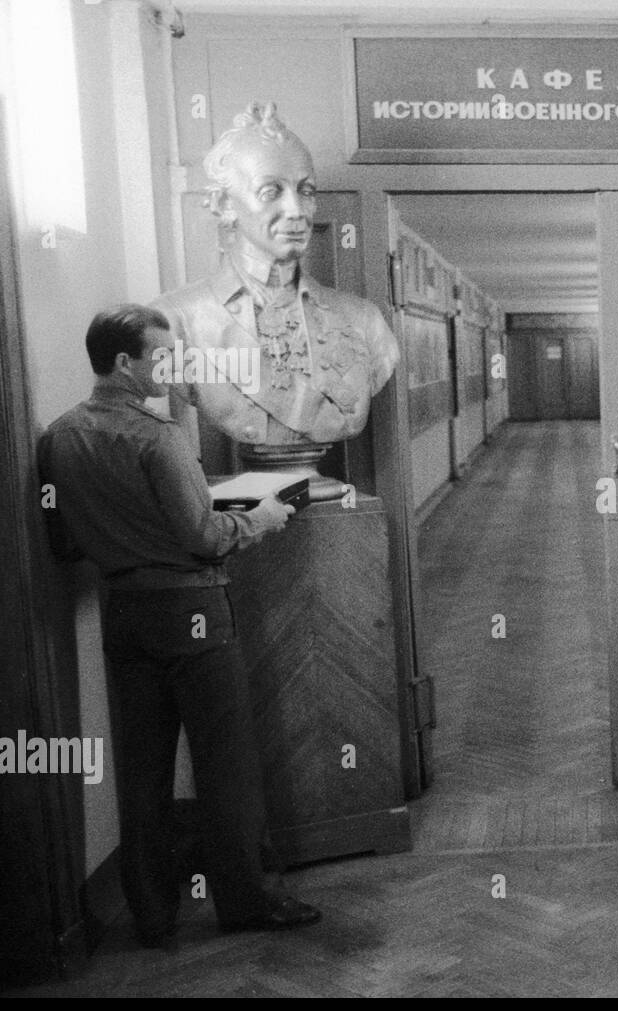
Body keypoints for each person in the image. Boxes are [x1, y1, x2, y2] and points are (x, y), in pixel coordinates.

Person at [38, 304, 322, 947]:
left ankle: (152, 913)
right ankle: (245, 902)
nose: (172, 366)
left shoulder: (58, 436)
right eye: (160, 356)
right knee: (225, 765)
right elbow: (203, 537)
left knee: (141, 771)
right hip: (191, 610)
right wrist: (262, 519)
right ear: (123, 363)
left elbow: (62, 541)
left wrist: (125, 535)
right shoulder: (157, 437)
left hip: (125, 613)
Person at [151, 102, 398, 498]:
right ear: (224, 205)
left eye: (306, 191)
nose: (296, 210)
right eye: (271, 191)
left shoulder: (363, 320)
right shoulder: (173, 321)